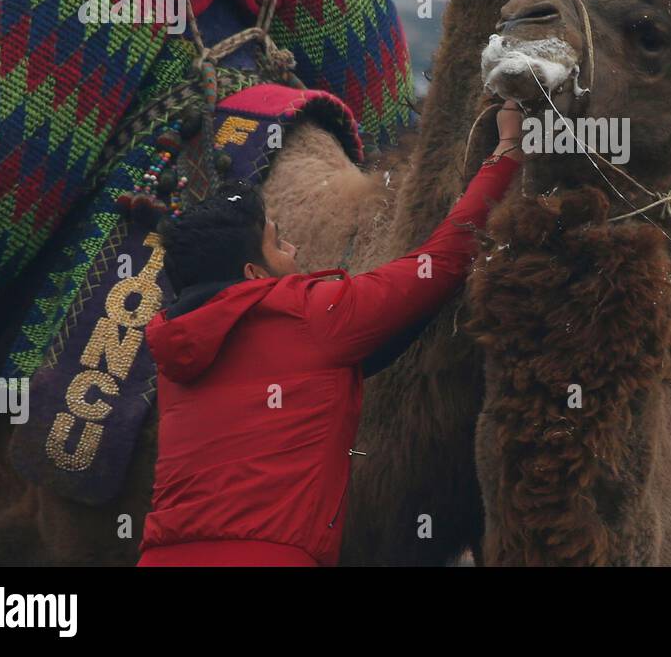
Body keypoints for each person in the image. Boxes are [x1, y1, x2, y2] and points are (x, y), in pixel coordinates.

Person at [136, 103, 525, 567]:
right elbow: (441, 261)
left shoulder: (176, 353)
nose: (294, 248)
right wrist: (507, 153)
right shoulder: (308, 316)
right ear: (251, 272)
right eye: (278, 243)